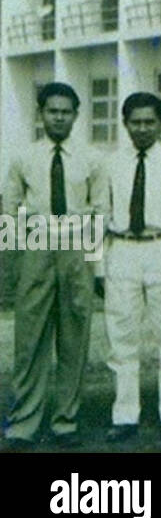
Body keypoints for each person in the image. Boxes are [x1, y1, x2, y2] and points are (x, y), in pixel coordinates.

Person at [1, 82, 105, 449]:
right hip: (38, 244)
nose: (59, 117)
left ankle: (65, 420)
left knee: (74, 335)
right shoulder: (23, 157)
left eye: (66, 111)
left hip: (77, 245)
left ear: (76, 116)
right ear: (41, 115)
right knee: (29, 338)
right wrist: (13, 265)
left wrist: (95, 269)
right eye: (52, 111)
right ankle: (24, 422)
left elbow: (99, 213)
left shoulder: (91, 158)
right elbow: (9, 209)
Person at [101, 92, 161, 443]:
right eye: (135, 122)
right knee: (122, 339)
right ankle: (125, 415)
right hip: (123, 249)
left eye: (149, 122)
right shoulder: (111, 163)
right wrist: (99, 266)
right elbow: (99, 216)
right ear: (125, 123)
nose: (142, 128)